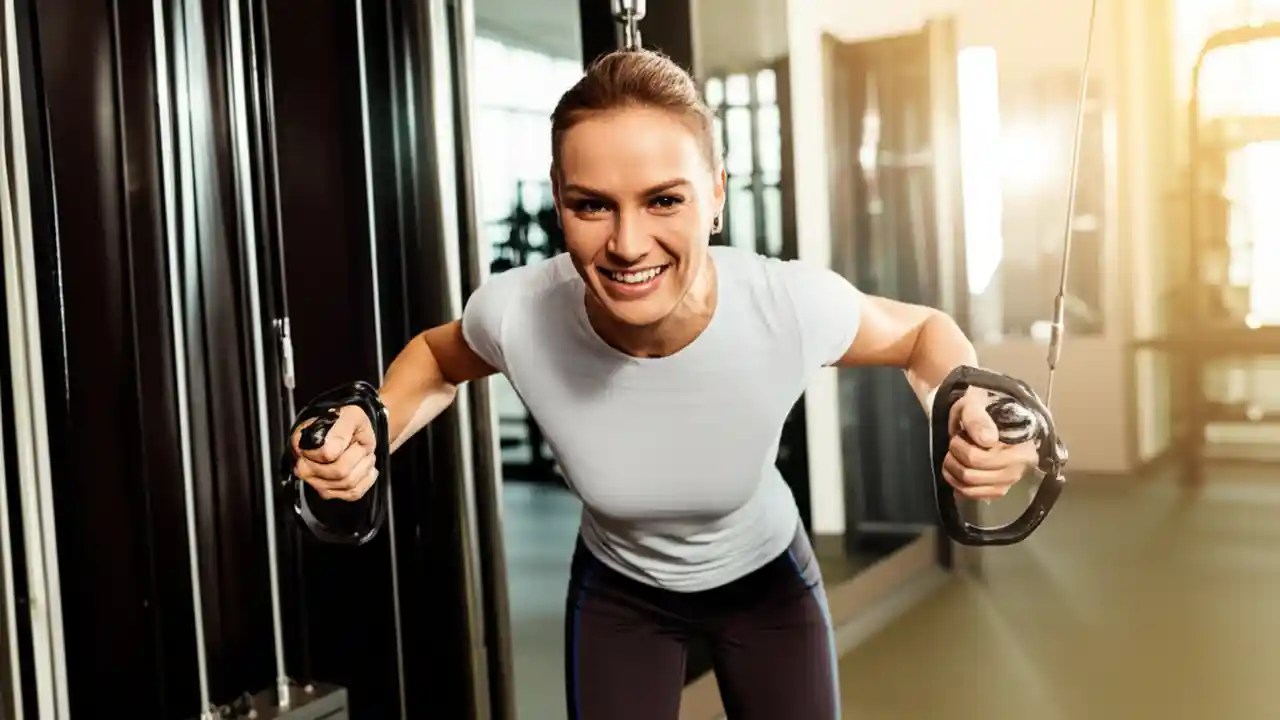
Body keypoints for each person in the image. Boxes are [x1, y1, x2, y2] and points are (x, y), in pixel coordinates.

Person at [290, 49, 1039, 720]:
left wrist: (968, 402)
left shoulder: (785, 305)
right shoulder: (518, 314)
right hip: (619, 593)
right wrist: (374, 422)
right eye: (592, 205)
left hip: (766, 583)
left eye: (664, 200)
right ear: (559, 199)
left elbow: (921, 334)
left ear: (715, 195)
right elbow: (436, 357)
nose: (626, 244)